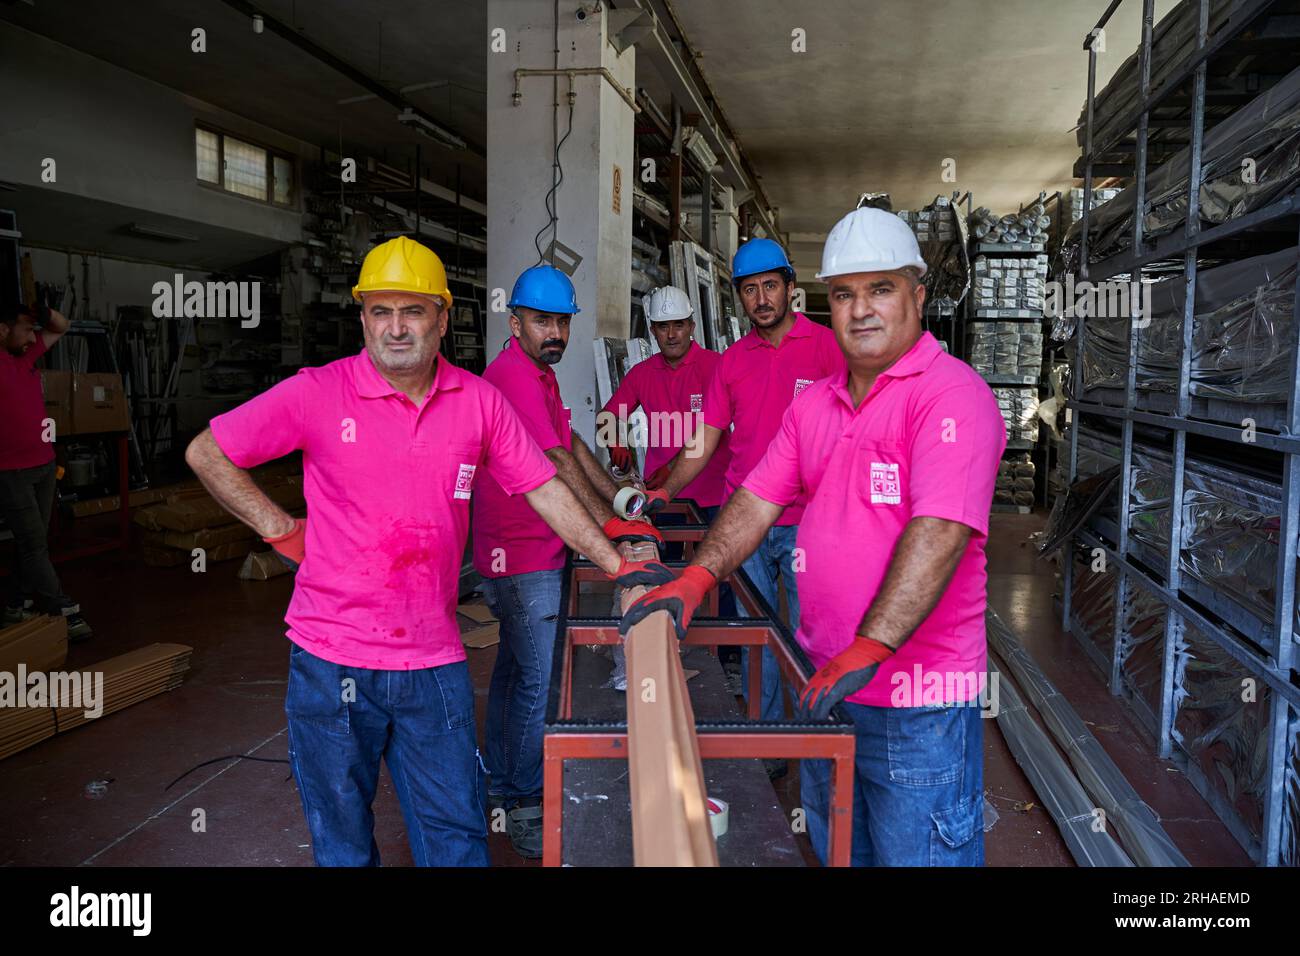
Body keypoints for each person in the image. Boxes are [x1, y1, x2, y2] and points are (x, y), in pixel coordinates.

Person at [185, 238, 670, 867]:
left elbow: (544, 486)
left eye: (412, 311)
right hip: (330, 661)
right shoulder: (316, 393)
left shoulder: (478, 401)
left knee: (456, 838)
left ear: (443, 318)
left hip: (432, 657)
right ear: (362, 317)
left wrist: (616, 564)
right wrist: (283, 531)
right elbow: (208, 452)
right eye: (381, 311)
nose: (395, 328)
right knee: (342, 843)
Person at [621, 207, 1005, 866]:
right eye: (847, 293)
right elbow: (755, 500)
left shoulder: (953, 398)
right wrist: (697, 576)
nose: (861, 310)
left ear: (916, 295)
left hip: (914, 705)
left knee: (917, 855)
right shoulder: (817, 404)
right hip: (827, 690)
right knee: (840, 851)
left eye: (880, 289)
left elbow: (937, 532)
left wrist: (871, 644)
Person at [472, 262, 662, 859]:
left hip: (536, 545)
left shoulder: (541, 376)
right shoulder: (512, 378)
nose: (553, 331)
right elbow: (553, 465)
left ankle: (500, 784)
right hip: (520, 551)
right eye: (540, 320)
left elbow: (573, 446)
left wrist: (620, 499)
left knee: (514, 668)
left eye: (561, 321)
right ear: (515, 320)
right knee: (539, 679)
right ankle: (525, 799)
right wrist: (609, 534)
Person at [641, 239, 844, 773]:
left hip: (808, 521)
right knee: (758, 636)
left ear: (790, 289)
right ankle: (770, 742)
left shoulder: (827, 348)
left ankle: (812, 741)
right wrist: (665, 489)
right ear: (739, 298)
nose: (761, 298)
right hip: (744, 520)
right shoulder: (731, 362)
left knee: (809, 633)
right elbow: (704, 440)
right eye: (750, 290)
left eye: (770, 286)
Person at [0, 304, 91, 640]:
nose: (31, 336)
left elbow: (61, 326)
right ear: (2, 330)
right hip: (11, 472)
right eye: (24, 329)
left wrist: (41, 311)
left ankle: (15, 606)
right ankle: (63, 610)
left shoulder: (23, 359)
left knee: (33, 542)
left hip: (43, 464)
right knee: (34, 543)